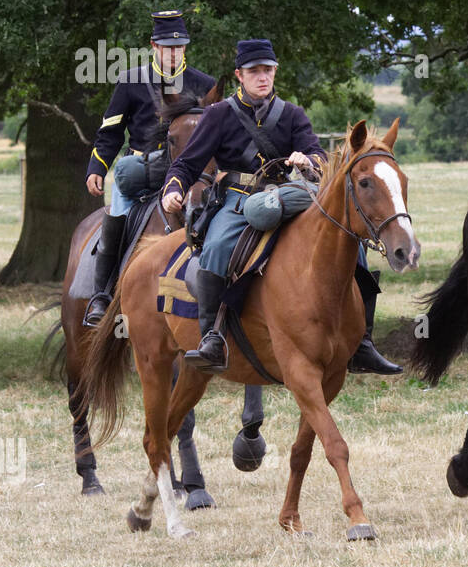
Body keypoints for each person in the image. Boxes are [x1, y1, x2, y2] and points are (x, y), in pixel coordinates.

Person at [161, 39, 400, 375]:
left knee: (350, 241)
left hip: (289, 195)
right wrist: (173, 189)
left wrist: (307, 162)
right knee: (215, 247)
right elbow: (186, 164)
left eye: (268, 71)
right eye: (254, 71)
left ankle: (363, 343)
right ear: (239, 75)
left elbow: (316, 155)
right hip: (237, 198)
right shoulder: (218, 115)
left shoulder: (291, 114)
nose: (262, 77)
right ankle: (213, 337)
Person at [83, 10, 215, 327]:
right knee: (115, 219)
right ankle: (101, 295)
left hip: (190, 175)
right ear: (153, 46)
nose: (173, 53)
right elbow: (111, 132)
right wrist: (97, 167)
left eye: (179, 47)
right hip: (139, 174)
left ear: (185, 48)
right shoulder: (130, 81)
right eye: (167, 47)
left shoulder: (204, 85)